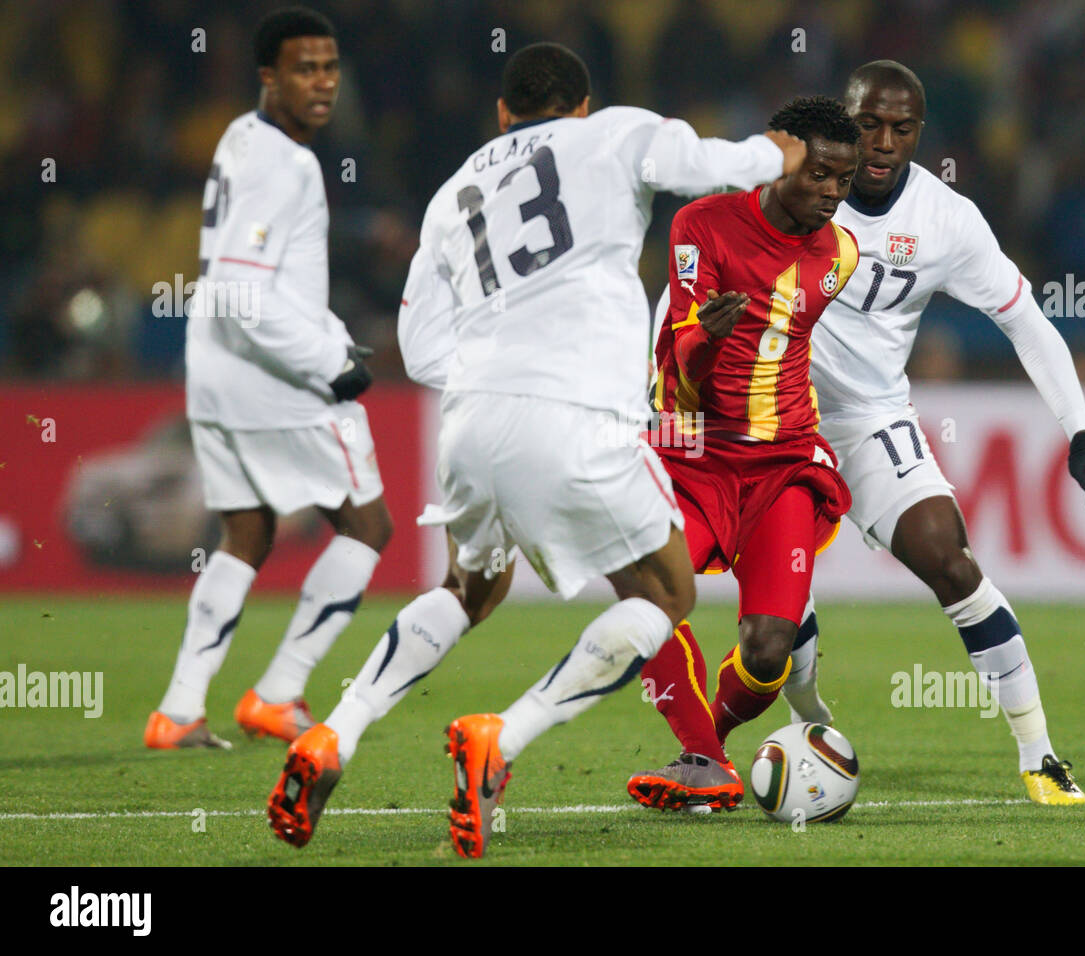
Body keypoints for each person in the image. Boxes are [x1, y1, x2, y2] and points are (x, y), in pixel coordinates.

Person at [265, 41, 807, 858]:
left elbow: (417, 348)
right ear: (581, 106)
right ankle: (502, 737)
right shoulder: (615, 133)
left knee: (469, 588)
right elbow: (712, 164)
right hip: (578, 414)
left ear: (502, 113)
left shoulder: (454, 192)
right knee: (663, 596)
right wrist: (780, 152)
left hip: (471, 418)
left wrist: (498, 376)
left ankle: (332, 732)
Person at [648, 61, 1085, 808]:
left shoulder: (947, 221)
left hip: (868, 419)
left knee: (953, 562)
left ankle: (1040, 755)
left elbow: (1024, 318)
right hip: (760, 431)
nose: (882, 142)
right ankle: (806, 730)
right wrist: (672, 405)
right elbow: (690, 299)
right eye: (869, 123)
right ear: (845, 119)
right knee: (778, 641)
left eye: (901, 128)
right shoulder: (792, 191)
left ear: (919, 133)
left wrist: (1082, 433)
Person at [146, 7, 394, 751]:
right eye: (303, 68)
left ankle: (180, 709)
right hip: (270, 372)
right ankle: (279, 693)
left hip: (215, 370)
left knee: (246, 532)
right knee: (367, 525)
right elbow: (239, 289)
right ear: (268, 75)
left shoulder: (240, 137)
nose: (322, 83)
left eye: (329, 67)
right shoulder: (283, 163)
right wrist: (331, 362)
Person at [625, 96, 862, 812]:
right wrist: (708, 337)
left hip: (784, 463)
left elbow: (796, 348)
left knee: (767, 653)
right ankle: (701, 754)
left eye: (844, 181)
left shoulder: (841, 255)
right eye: (818, 172)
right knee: (645, 596)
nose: (830, 192)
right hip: (694, 454)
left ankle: (707, 752)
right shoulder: (701, 224)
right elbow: (681, 358)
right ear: (782, 156)